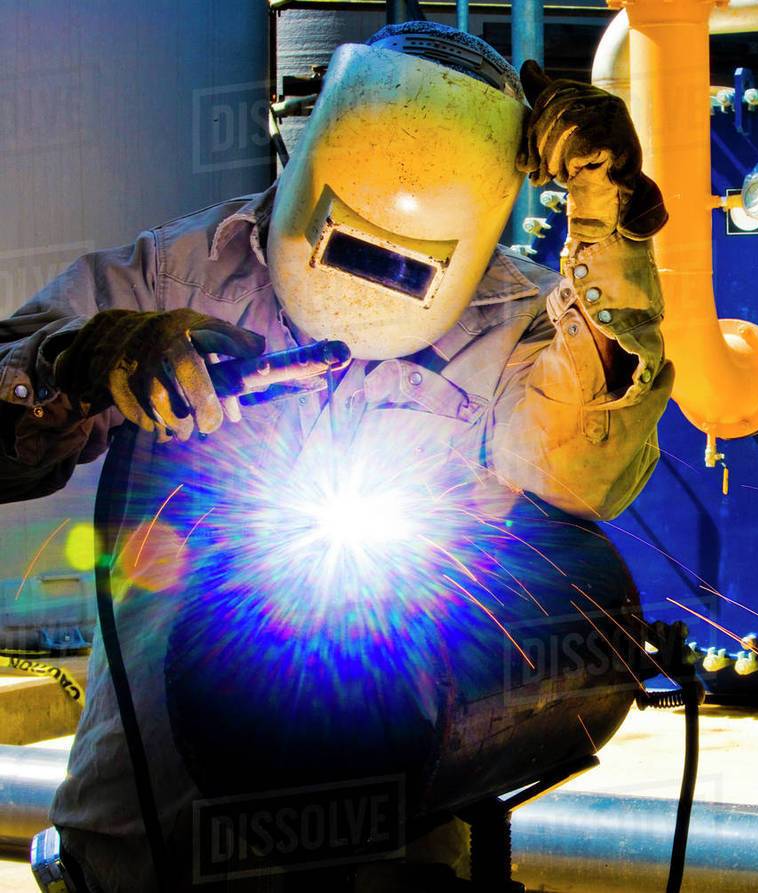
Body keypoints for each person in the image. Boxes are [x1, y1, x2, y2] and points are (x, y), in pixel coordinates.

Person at [0, 22, 671, 891]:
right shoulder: (172, 277)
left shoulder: (518, 322)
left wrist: (607, 230)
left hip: (386, 844)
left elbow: (586, 472)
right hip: (147, 838)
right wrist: (76, 360)